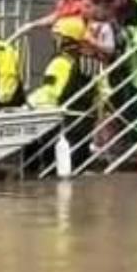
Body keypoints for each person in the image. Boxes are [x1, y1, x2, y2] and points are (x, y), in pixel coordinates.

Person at [27, 15, 108, 163]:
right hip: (83, 124)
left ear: (67, 39)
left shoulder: (60, 61)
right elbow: (102, 92)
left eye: (58, 37)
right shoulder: (91, 62)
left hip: (59, 124)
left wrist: (28, 104)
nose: (54, 40)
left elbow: (50, 93)